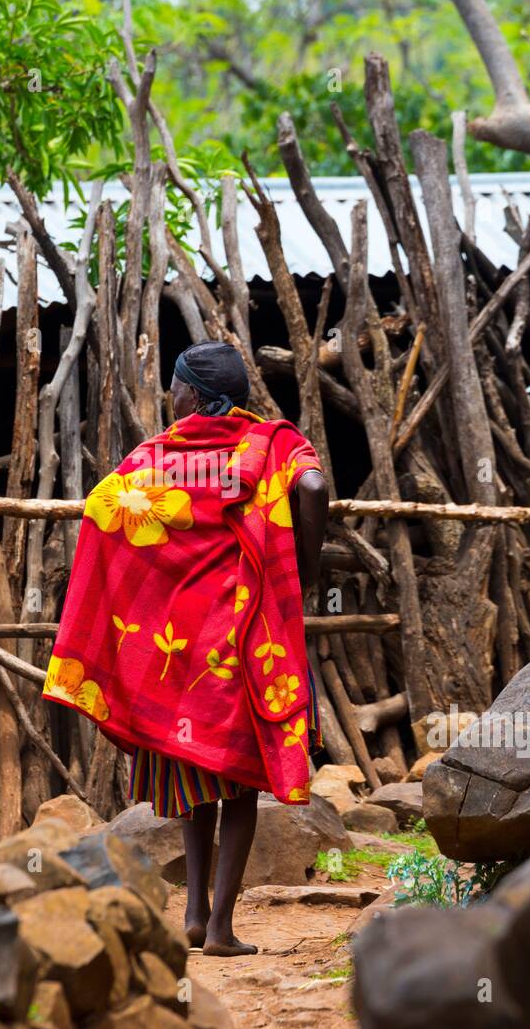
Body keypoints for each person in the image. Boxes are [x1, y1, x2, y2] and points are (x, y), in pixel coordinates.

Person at [43, 340, 329, 956]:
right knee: (240, 783)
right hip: (241, 640)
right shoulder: (272, 444)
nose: (170, 397)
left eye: (174, 386)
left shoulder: (160, 456)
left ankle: (196, 913)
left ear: (193, 394)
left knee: (195, 776)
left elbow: (104, 507)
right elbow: (312, 487)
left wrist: (157, 574)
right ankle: (220, 926)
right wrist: (300, 574)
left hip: (179, 653)